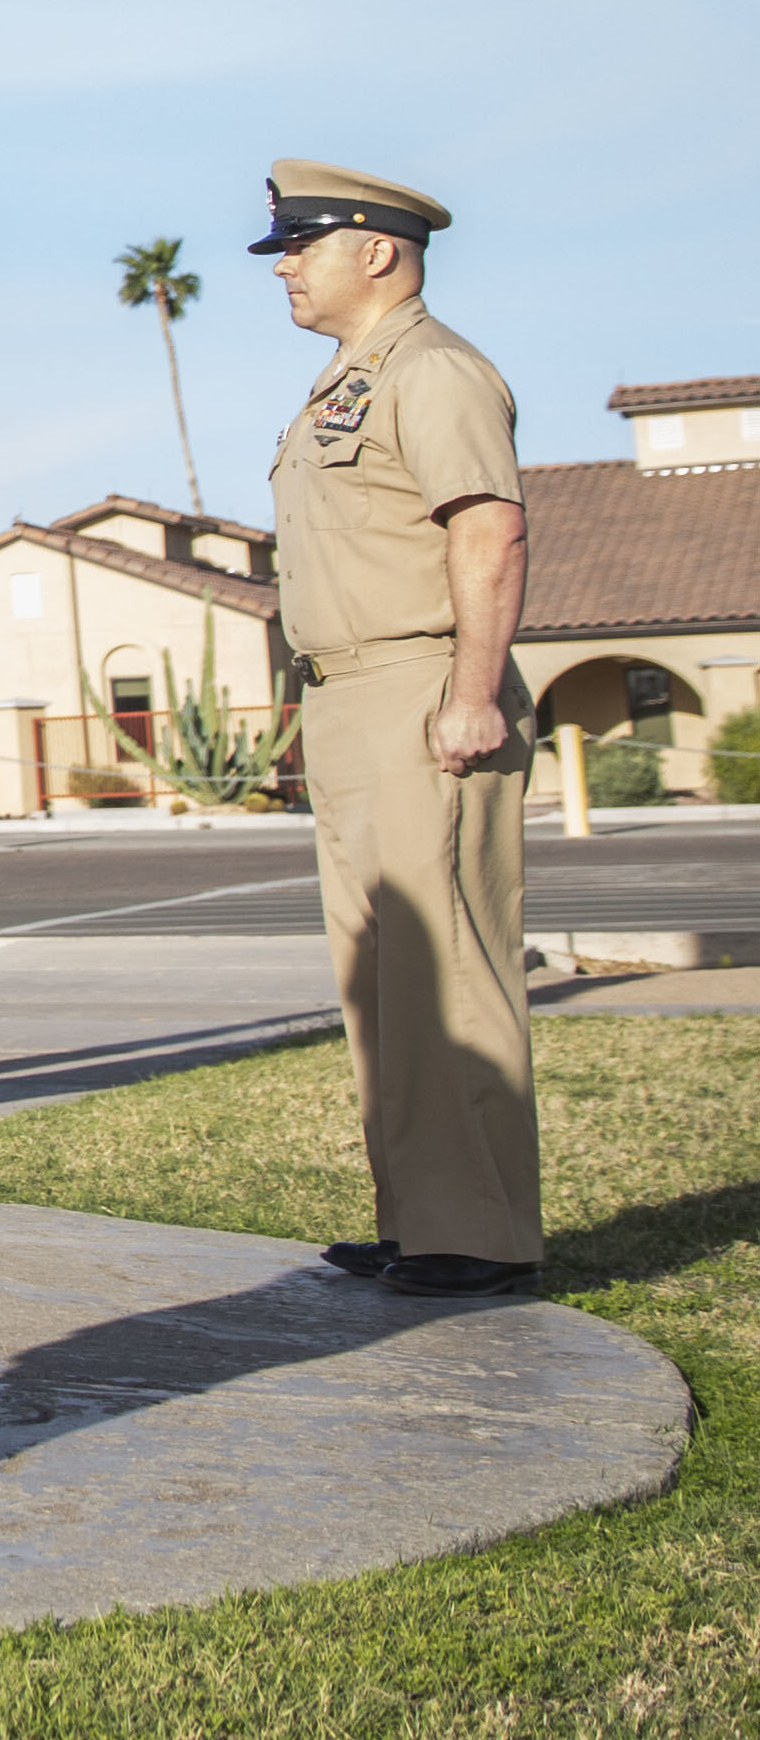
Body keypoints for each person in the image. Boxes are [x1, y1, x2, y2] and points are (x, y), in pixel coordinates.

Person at [254, 163, 539, 1299]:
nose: (282, 264)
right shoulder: (344, 380)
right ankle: (420, 1213)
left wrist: (470, 691)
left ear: (375, 248)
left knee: (447, 964)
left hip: (423, 684)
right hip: (349, 697)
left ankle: (478, 1230)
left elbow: (489, 533)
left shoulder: (432, 370)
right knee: (378, 971)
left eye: (298, 243)